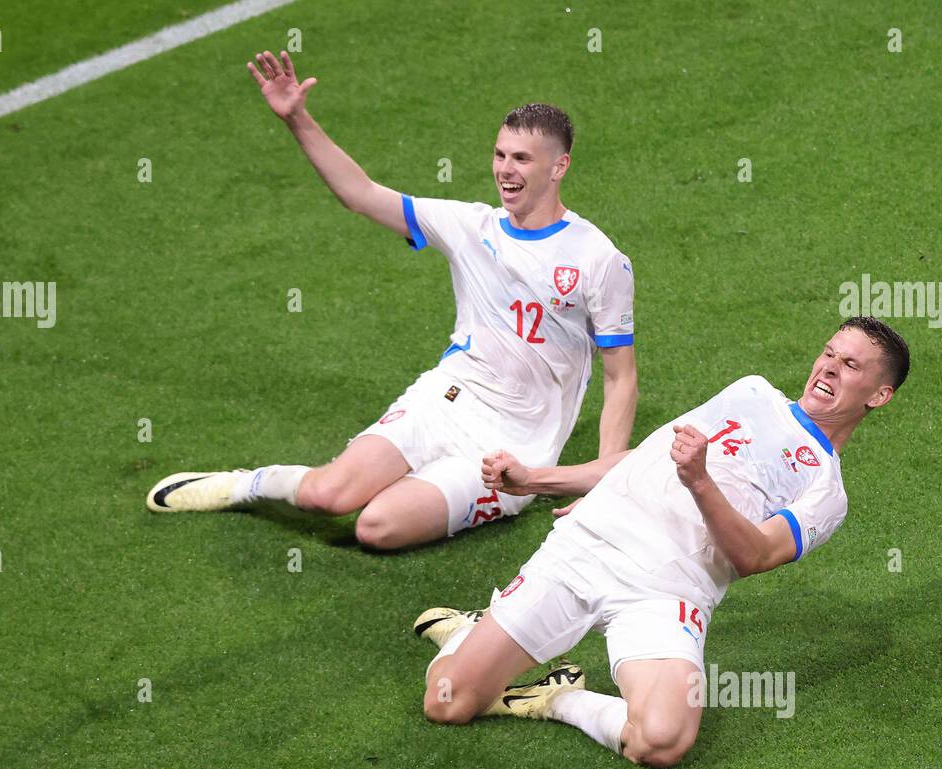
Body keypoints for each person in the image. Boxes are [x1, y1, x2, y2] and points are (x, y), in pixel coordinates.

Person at [146, 50, 638, 551]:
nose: (505, 171)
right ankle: (244, 485)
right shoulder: (469, 226)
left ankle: (417, 481)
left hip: (513, 448)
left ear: (560, 166)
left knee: (374, 528)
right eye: (499, 154)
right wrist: (297, 118)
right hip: (446, 399)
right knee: (328, 496)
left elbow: (621, 376)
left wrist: (599, 477)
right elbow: (360, 194)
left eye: (521, 159)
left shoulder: (599, 259)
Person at [415, 317, 909, 767]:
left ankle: (556, 699)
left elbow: (755, 554)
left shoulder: (826, 491)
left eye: (850, 365)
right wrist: (534, 479)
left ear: (878, 395)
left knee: (662, 740)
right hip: (586, 548)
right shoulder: (752, 394)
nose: (828, 369)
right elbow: (646, 455)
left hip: (668, 596)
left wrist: (700, 481)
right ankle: (470, 630)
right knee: (447, 701)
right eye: (829, 353)